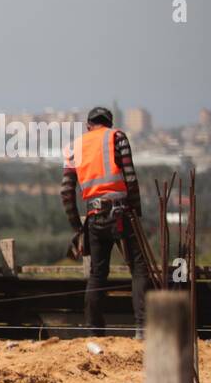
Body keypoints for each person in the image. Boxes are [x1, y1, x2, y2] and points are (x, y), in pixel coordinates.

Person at [61, 106, 148, 335]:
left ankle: (94, 331)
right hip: (121, 213)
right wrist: (136, 213)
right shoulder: (116, 137)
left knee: (97, 274)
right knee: (139, 268)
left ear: (88, 125)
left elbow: (66, 192)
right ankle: (142, 328)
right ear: (109, 123)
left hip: (94, 217)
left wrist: (77, 228)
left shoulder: (74, 147)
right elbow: (130, 178)